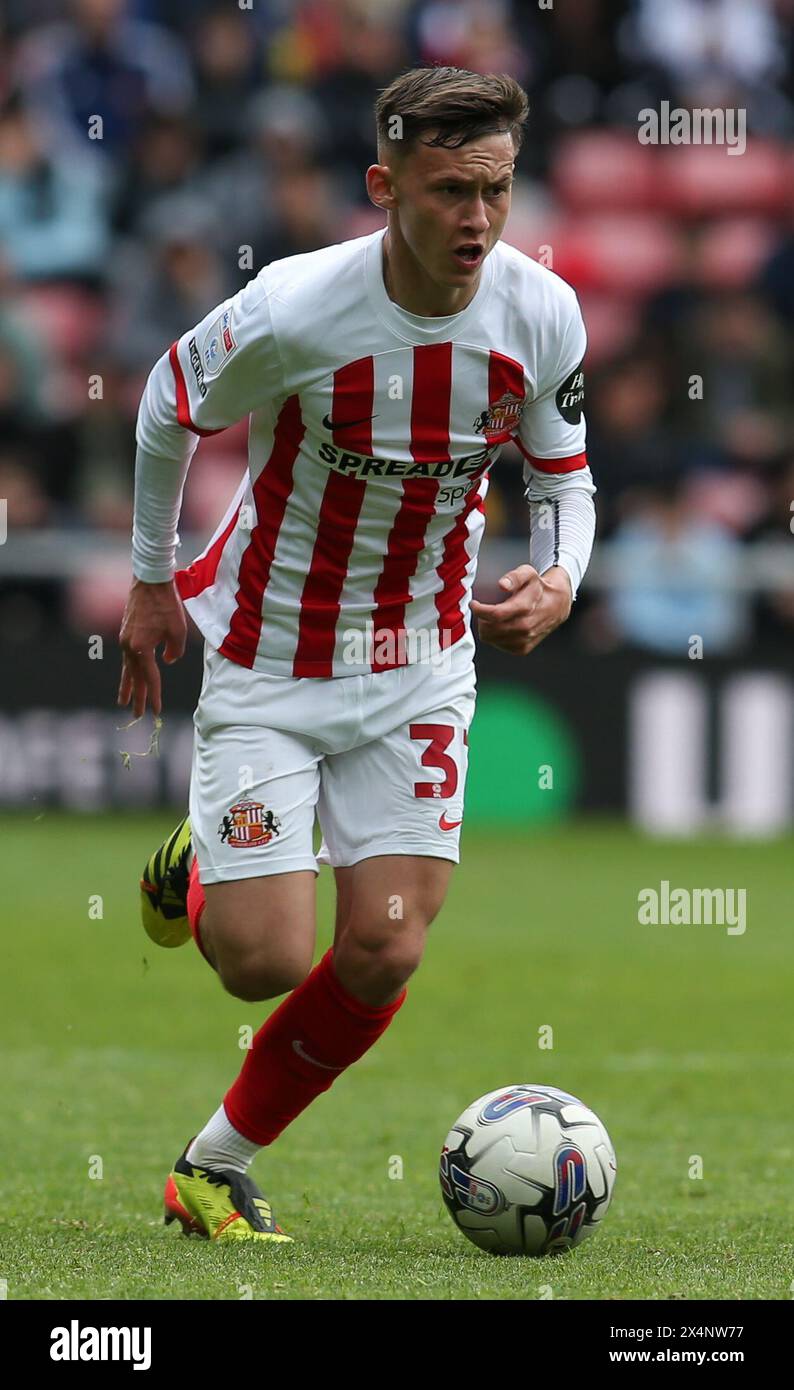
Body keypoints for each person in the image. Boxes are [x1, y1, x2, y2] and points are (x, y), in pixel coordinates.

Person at [118, 65, 596, 1244]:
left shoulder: (541, 312)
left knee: (382, 946)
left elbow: (564, 479)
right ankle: (203, 864)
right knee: (261, 963)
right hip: (273, 652)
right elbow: (169, 403)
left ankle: (210, 1166)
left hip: (421, 658)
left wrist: (560, 574)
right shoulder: (294, 307)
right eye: (447, 192)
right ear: (384, 188)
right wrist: (145, 577)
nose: (476, 219)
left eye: (494, 188)